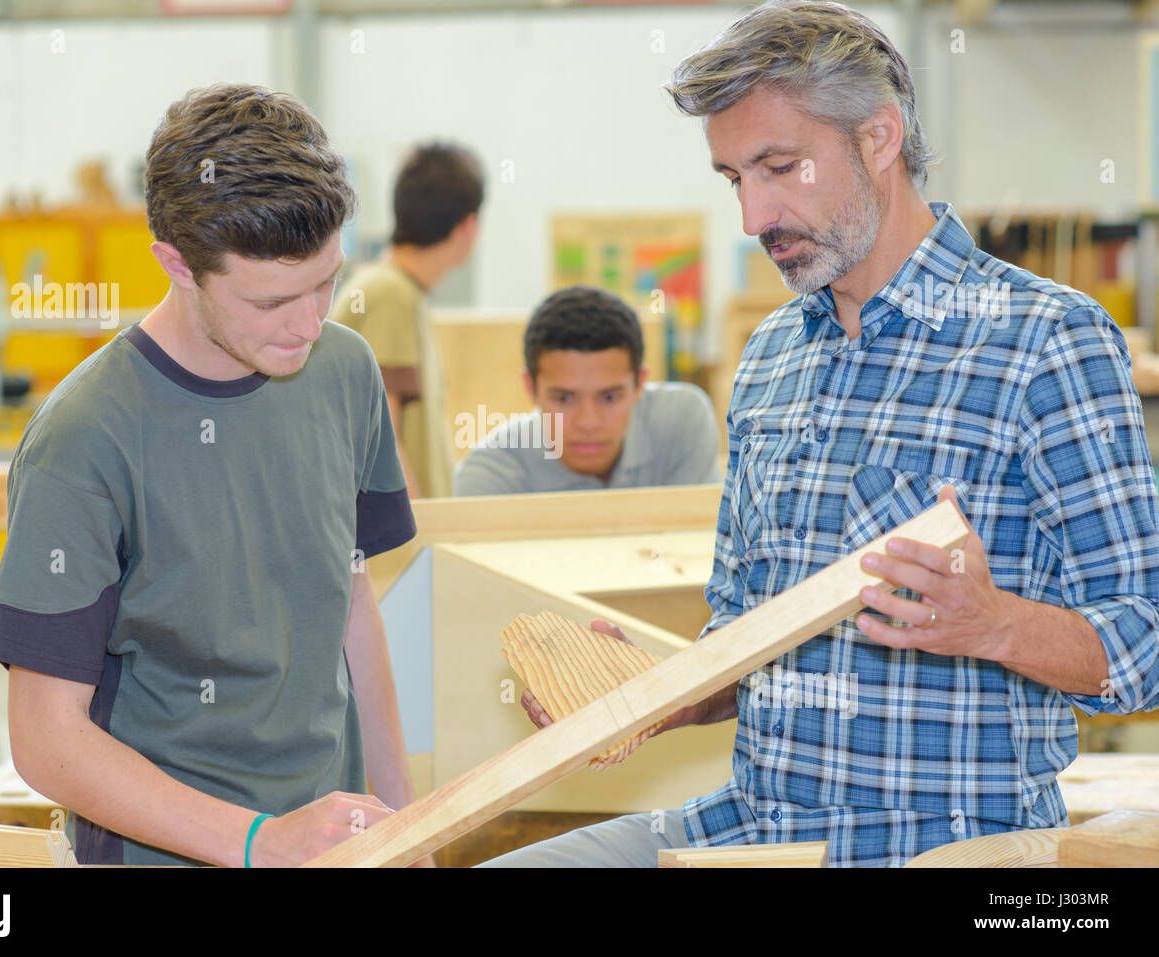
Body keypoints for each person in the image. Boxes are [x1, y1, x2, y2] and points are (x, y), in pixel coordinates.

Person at [483, 0, 1159, 867]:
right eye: (733, 178)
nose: (753, 217)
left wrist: (992, 625)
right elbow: (742, 628)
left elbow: (1143, 643)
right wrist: (658, 693)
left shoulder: (1044, 340)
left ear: (879, 138)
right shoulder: (770, 358)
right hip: (751, 828)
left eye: (779, 167)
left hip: (945, 849)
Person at [0, 83, 430, 867]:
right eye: (272, 298)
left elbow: (350, 605)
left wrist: (408, 826)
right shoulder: (84, 439)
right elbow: (45, 738)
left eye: (326, 282)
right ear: (176, 264)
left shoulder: (345, 372)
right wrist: (259, 841)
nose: (309, 323)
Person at [452, 284, 720, 495]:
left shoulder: (683, 422)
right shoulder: (489, 478)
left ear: (640, 383)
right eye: (564, 398)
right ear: (530, 388)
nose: (588, 422)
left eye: (610, 397)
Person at [328, 142, 483, 499]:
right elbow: (382, 438)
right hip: (404, 543)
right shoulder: (389, 294)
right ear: (468, 226)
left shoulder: (398, 290)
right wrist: (417, 534)